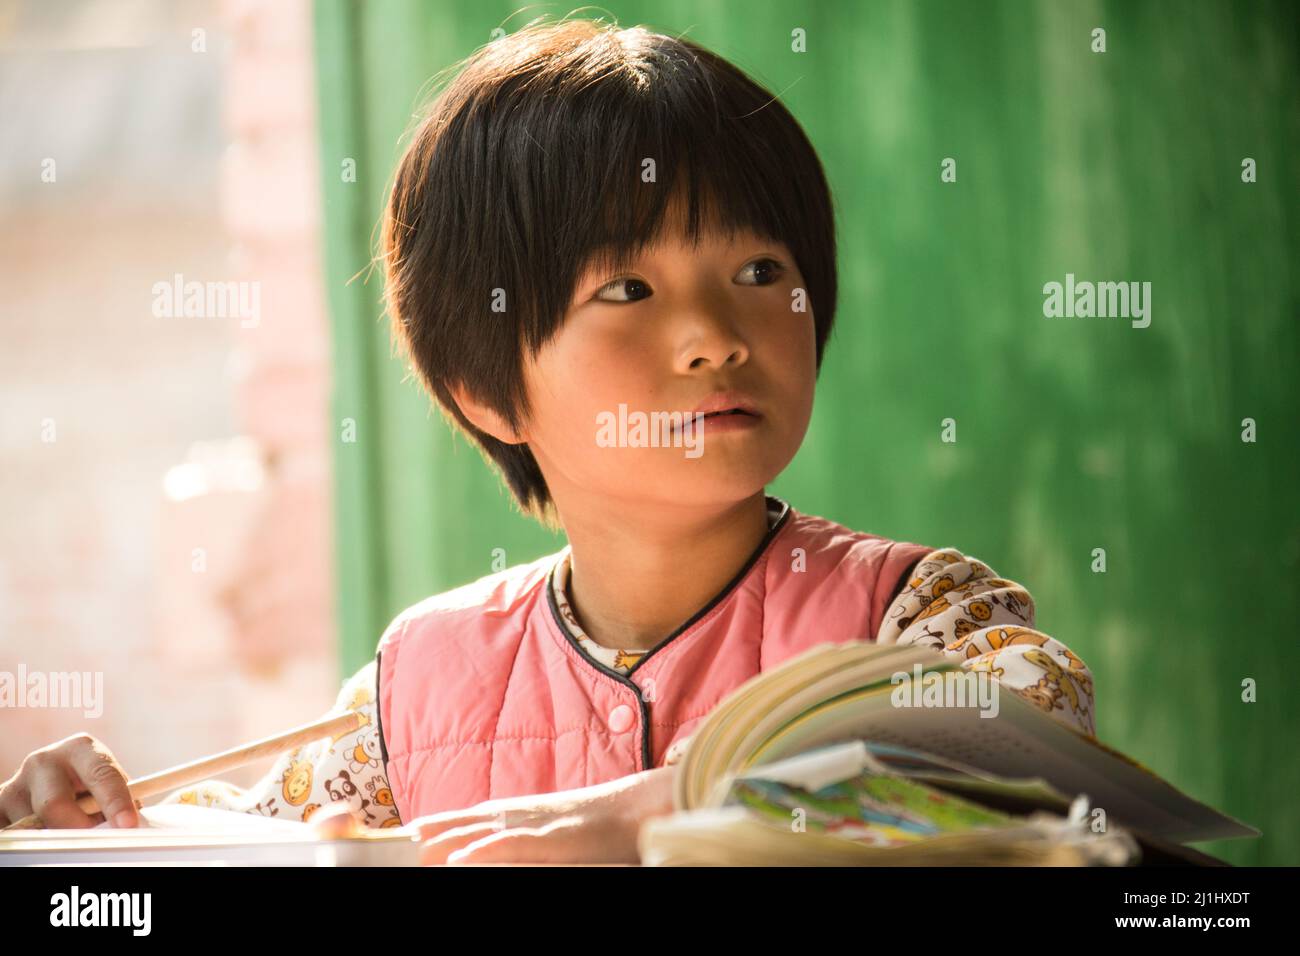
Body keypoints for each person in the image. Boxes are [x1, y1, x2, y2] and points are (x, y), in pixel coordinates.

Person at [0, 18, 1095, 865]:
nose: (716, 335)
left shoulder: (914, 610)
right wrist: (90, 821)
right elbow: (263, 838)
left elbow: (1024, 745)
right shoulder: (411, 688)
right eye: (627, 287)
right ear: (486, 386)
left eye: (760, 272)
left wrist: (657, 809)